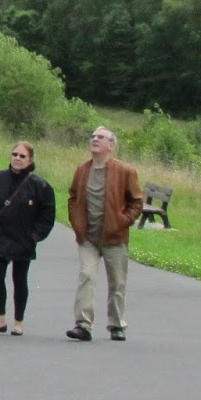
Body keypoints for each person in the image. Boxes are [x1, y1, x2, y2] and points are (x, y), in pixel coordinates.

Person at [66, 126, 143, 342]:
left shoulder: (125, 171)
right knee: (86, 277)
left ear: (111, 145)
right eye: (93, 136)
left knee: (117, 283)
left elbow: (137, 202)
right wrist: (76, 221)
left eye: (101, 137)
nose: (95, 139)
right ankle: (83, 325)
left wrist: (123, 221)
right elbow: (72, 196)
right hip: (88, 237)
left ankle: (116, 324)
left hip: (114, 237)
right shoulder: (82, 170)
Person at [0, 140, 55, 337]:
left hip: (23, 240)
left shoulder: (39, 185)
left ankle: (19, 322)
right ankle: (0, 319)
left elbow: (48, 214)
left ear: (30, 160)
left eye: (22, 156)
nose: (17, 158)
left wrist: (35, 236)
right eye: (14, 154)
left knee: (20, 280)